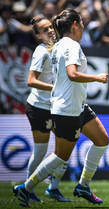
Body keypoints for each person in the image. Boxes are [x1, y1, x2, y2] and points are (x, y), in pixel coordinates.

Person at [13, 9, 109, 207]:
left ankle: (83, 185)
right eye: (82, 22)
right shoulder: (70, 45)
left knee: (102, 140)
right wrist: (97, 78)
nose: (83, 26)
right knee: (60, 156)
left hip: (77, 106)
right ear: (74, 24)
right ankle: (26, 187)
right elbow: (72, 74)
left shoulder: (59, 46)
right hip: (67, 109)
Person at [25, 15, 70, 203]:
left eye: (51, 27)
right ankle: (27, 189)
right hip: (39, 107)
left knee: (65, 149)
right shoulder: (41, 51)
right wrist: (55, 88)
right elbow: (31, 81)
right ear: (37, 36)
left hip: (56, 106)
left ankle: (53, 188)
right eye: (45, 30)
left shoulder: (59, 47)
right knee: (41, 152)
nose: (51, 31)